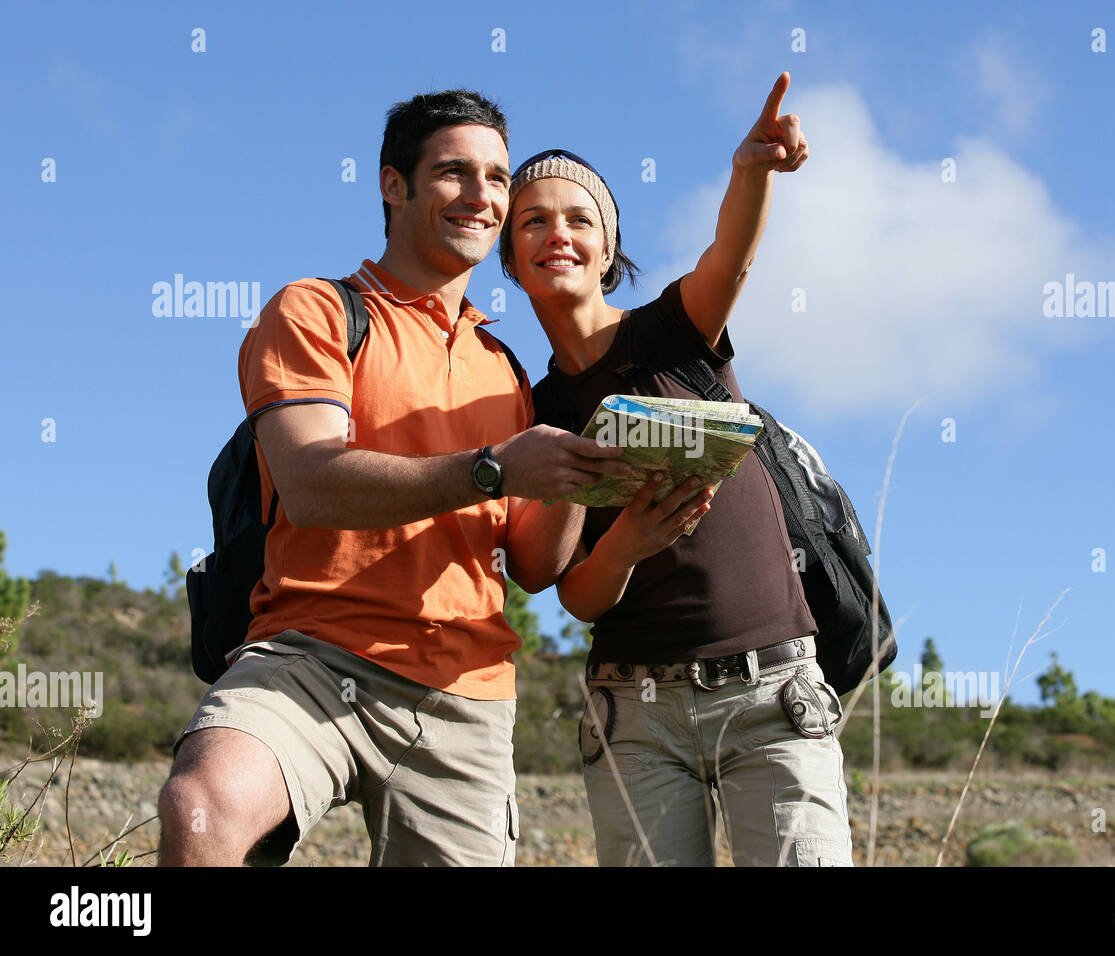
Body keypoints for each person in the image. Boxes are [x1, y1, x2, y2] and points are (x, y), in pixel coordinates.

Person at [157, 89, 631, 867]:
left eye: (496, 178)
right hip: (310, 654)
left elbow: (537, 566)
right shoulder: (317, 310)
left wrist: (584, 477)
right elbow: (312, 481)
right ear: (392, 184)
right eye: (453, 172)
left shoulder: (504, 369)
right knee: (201, 805)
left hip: (465, 691)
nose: (482, 196)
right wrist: (491, 470)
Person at [500, 73, 855, 866]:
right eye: (533, 222)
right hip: (636, 714)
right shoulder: (531, 409)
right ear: (511, 258)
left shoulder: (673, 329)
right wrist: (623, 544)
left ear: (608, 248)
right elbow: (570, 590)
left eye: (578, 219)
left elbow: (730, 254)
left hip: (772, 698)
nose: (557, 233)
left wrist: (751, 170)